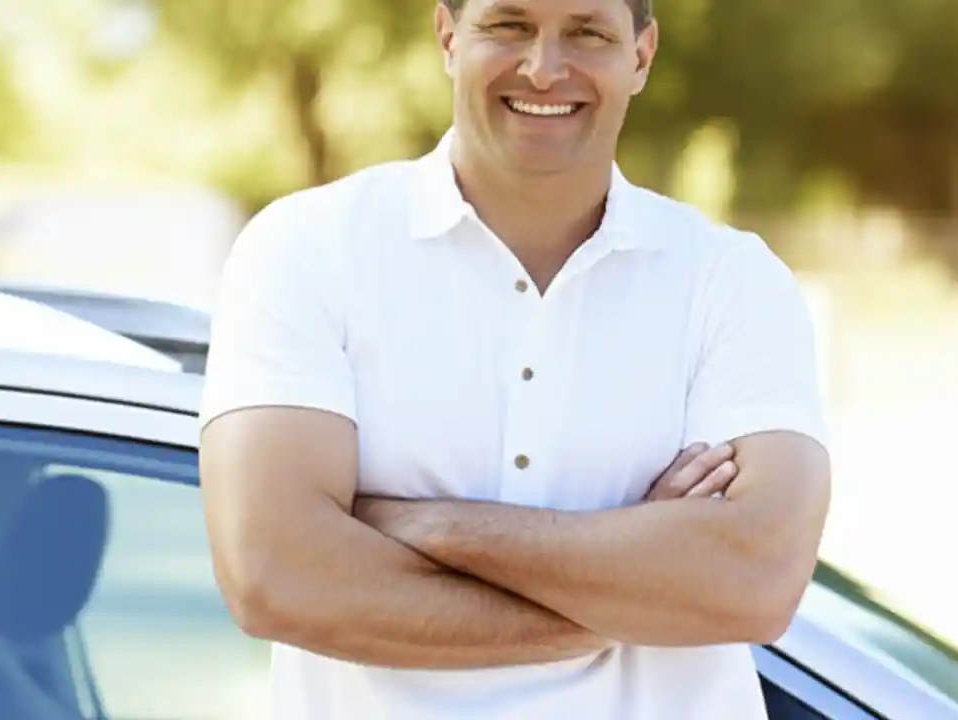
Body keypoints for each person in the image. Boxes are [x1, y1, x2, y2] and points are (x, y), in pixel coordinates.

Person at [198, 0, 831, 718]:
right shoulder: (307, 250)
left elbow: (756, 580)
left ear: (641, 57)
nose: (544, 67)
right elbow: (276, 576)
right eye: (509, 25)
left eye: (587, 32)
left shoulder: (732, 279)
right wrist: (633, 595)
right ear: (447, 36)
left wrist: (433, 526)